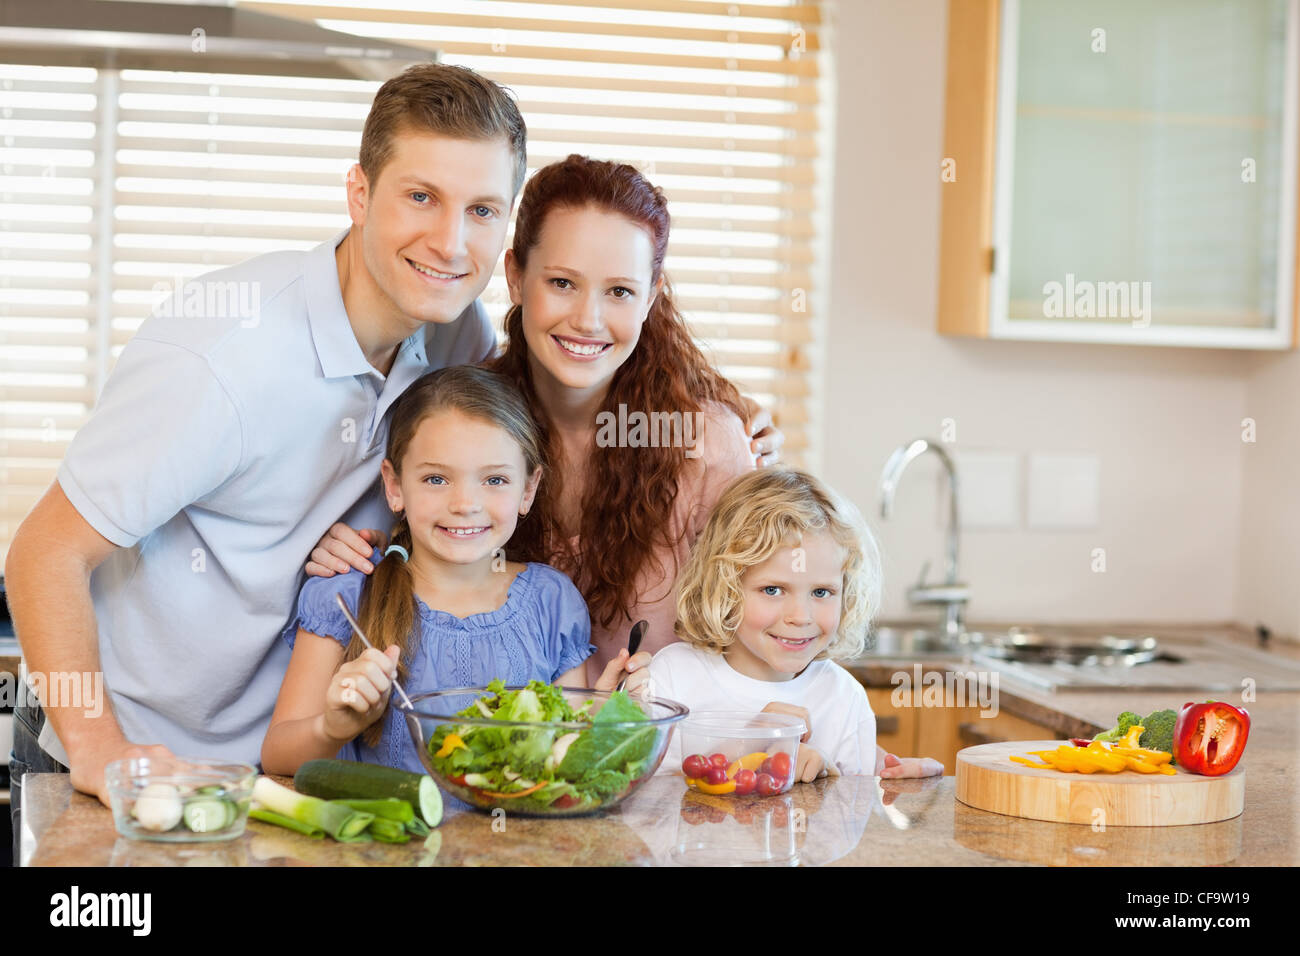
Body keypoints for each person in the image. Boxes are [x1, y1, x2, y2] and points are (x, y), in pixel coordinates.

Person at [5, 62, 779, 842]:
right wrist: (102, 754)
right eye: (421, 197)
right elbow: (43, 554)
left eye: (481, 209)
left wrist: (721, 412)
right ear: (359, 194)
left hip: (293, 780)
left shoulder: (453, 337)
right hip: (130, 758)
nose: (449, 242)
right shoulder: (221, 359)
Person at [309, 155, 768, 687]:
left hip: (662, 759)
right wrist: (353, 552)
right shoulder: (464, 416)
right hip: (487, 761)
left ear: (652, 296)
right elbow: (410, 544)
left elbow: (760, 632)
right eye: (562, 283)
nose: (587, 320)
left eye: (619, 291)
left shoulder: (705, 444)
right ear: (516, 276)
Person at [261, 366, 640, 774]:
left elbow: (564, 761)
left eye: (494, 479)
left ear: (527, 490)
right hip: (389, 838)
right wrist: (331, 728)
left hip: (520, 839)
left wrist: (602, 712)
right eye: (437, 478)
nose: (464, 504)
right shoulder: (346, 596)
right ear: (394, 486)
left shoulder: (552, 601)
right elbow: (278, 755)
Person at [628, 468, 944, 780]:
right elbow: (648, 805)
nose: (801, 616)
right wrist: (748, 742)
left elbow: (849, 821)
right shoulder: (672, 678)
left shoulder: (843, 697)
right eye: (773, 590)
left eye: (822, 592)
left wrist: (853, 781)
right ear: (724, 589)